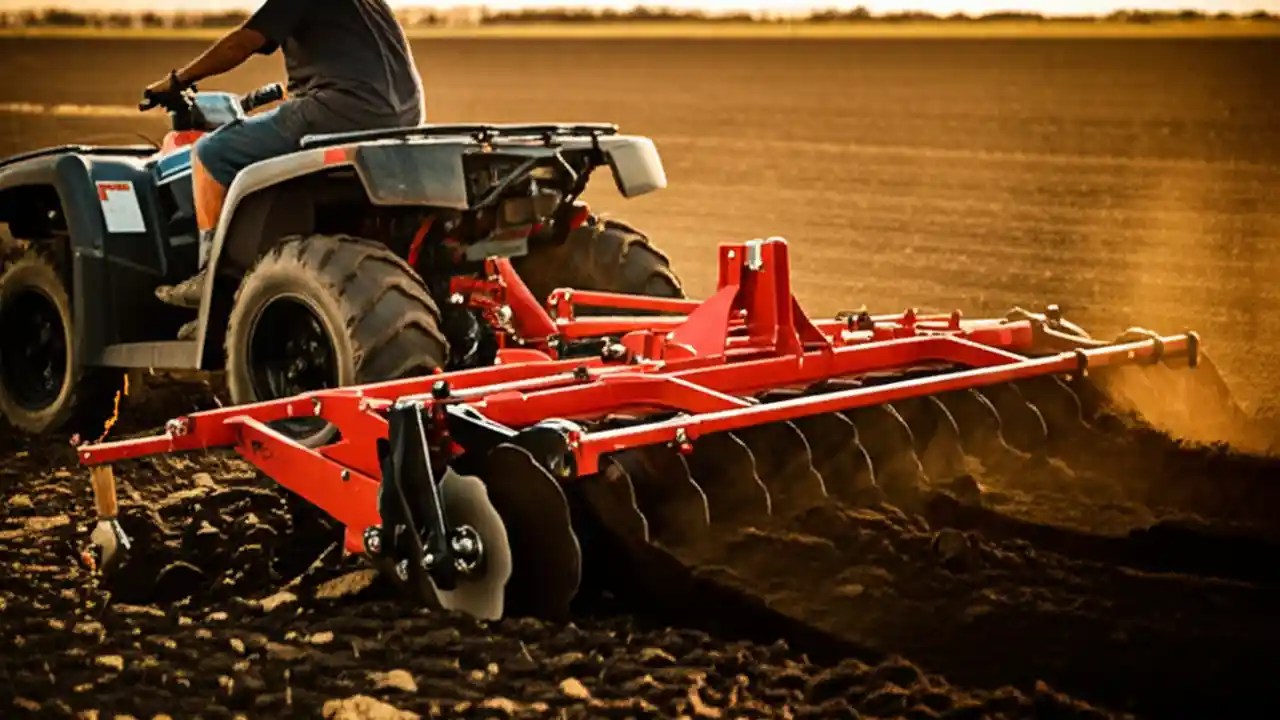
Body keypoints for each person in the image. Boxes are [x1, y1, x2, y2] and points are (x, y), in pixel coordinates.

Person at [145, 0, 425, 338]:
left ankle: (210, 280)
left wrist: (178, 80)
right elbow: (348, 58)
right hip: (403, 117)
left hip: (341, 111)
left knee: (211, 152)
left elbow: (241, 43)